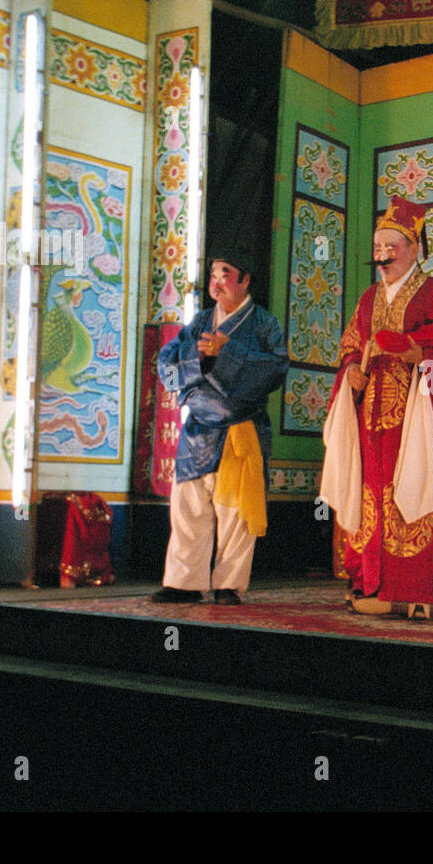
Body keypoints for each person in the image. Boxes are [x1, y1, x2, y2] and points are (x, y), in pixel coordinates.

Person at [325, 196, 433, 619]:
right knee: (369, 499)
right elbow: (350, 344)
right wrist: (351, 369)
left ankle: (413, 590)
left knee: (411, 497)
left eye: (391, 246)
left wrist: (422, 357)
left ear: (414, 249)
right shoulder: (368, 298)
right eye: (378, 247)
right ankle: (371, 583)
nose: (383, 255)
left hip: (416, 421)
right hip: (370, 420)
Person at [151, 254, 289, 605]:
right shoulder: (199, 322)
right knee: (188, 508)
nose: (216, 282)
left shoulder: (264, 324)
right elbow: (167, 362)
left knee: (236, 513)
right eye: (213, 274)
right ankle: (184, 582)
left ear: (245, 280)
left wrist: (229, 352)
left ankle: (229, 584)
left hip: (240, 428)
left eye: (225, 274)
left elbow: (275, 370)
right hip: (198, 428)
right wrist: (197, 357)